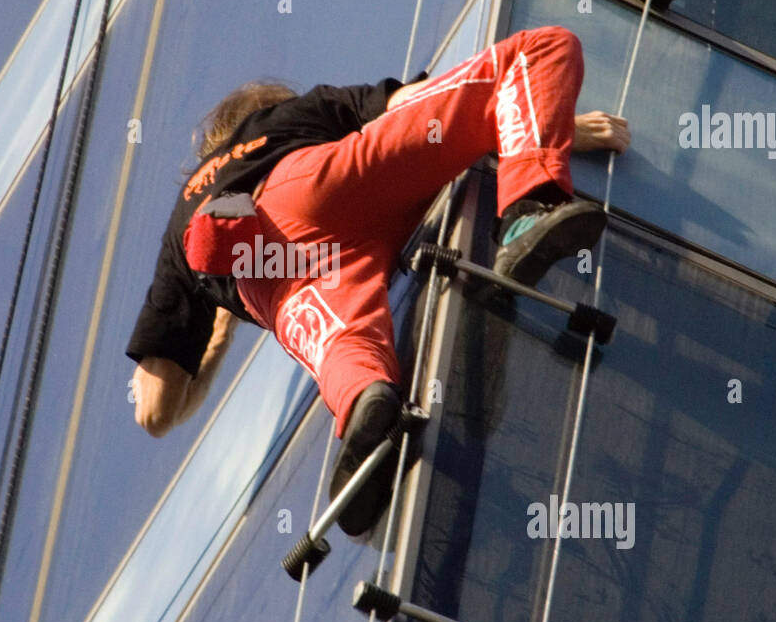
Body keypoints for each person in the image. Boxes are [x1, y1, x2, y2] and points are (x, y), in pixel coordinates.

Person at [126, 26, 629, 538]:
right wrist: (549, 124)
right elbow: (416, 105)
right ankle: (528, 210)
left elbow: (155, 410)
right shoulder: (291, 115)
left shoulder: (178, 223)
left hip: (268, 271)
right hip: (323, 184)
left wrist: (219, 333)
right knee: (536, 51)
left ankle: (366, 407)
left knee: (342, 345)